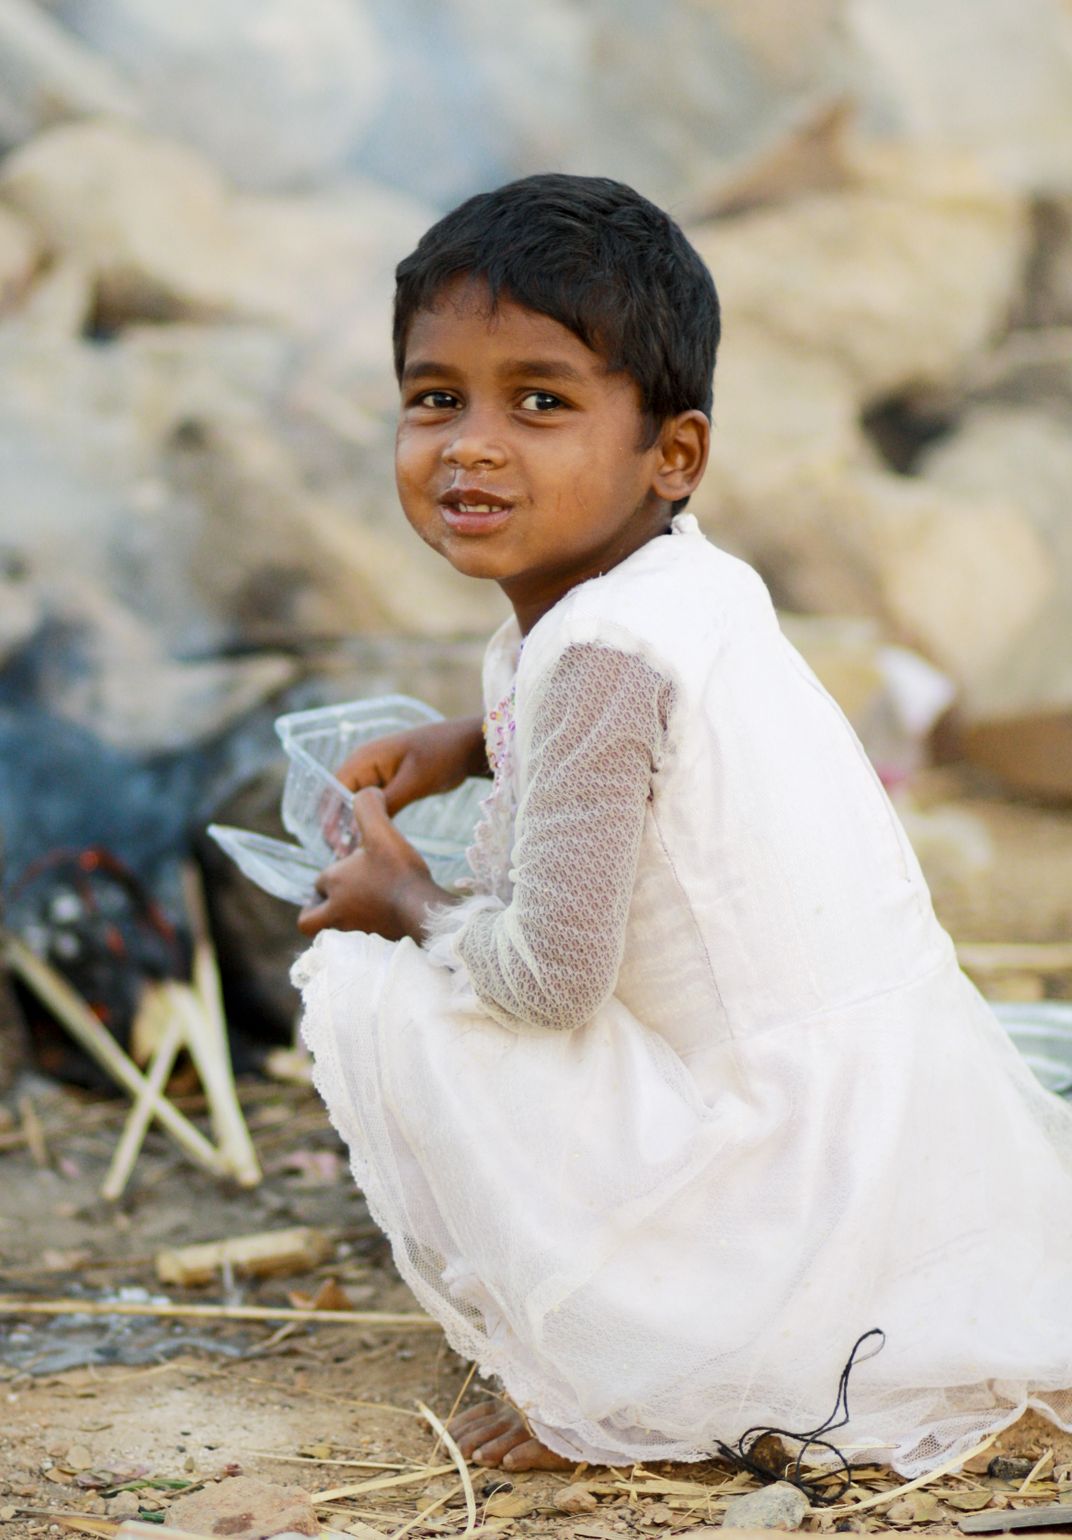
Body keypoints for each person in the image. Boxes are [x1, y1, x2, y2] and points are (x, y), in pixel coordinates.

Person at [293, 174, 1072, 1480]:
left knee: (379, 990)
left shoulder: (601, 652)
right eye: (437, 397)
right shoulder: (686, 586)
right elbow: (633, 748)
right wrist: (463, 743)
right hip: (873, 1117)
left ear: (676, 453)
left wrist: (407, 903)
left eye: (540, 401)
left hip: (768, 1162)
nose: (471, 445)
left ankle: (640, 1379)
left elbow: (548, 980)